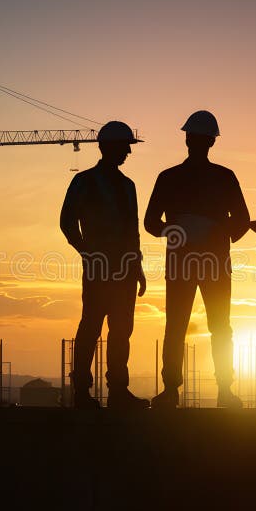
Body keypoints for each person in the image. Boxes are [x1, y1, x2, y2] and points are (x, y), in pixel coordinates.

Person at [144, 111, 250, 408]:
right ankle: (223, 391)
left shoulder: (172, 178)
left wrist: (184, 232)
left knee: (182, 326)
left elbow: (152, 223)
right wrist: (201, 232)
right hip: (204, 263)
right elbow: (242, 222)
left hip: (196, 263)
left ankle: (175, 391)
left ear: (188, 139)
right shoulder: (220, 178)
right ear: (210, 142)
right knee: (213, 326)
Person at [60, 120, 149, 410]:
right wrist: (88, 253)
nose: (127, 153)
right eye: (124, 147)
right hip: (99, 270)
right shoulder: (84, 182)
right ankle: (83, 393)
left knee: (121, 330)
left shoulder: (127, 186)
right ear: (107, 147)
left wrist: (137, 268)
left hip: (123, 271)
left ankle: (118, 391)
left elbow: (132, 231)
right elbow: (67, 222)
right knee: (92, 327)